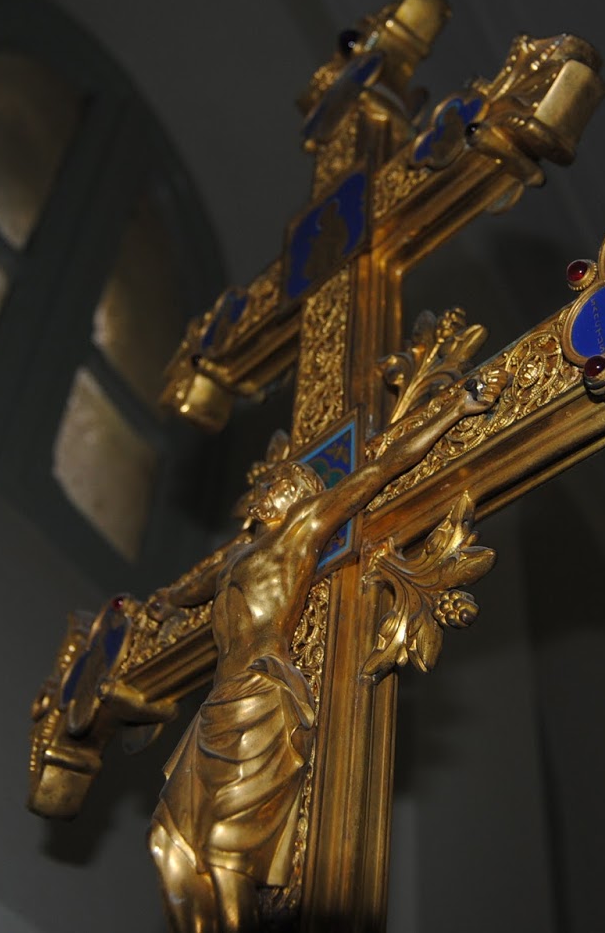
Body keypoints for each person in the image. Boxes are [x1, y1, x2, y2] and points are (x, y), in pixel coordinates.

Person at [146, 372, 506, 932]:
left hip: (260, 691)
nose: (261, 492)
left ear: (294, 496)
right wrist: (165, 600)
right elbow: (193, 586)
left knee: (222, 850)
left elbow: (377, 472)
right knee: (167, 845)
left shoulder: (300, 532)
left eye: (274, 485)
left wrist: (453, 408)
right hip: (215, 708)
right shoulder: (237, 555)